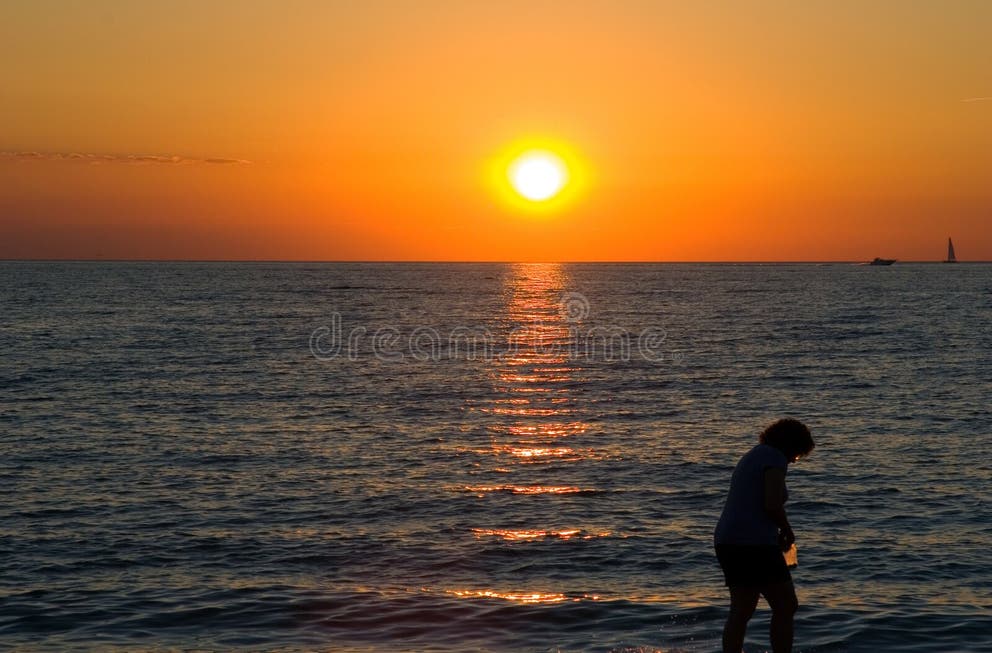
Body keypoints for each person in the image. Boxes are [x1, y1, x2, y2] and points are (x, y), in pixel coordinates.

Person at [714, 418, 815, 653]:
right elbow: (771, 503)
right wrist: (787, 530)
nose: (794, 460)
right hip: (753, 543)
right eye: (798, 454)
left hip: (729, 540)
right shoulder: (774, 458)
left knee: (742, 609)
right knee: (786, 605)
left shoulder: (755, 455)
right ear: (792, 445)